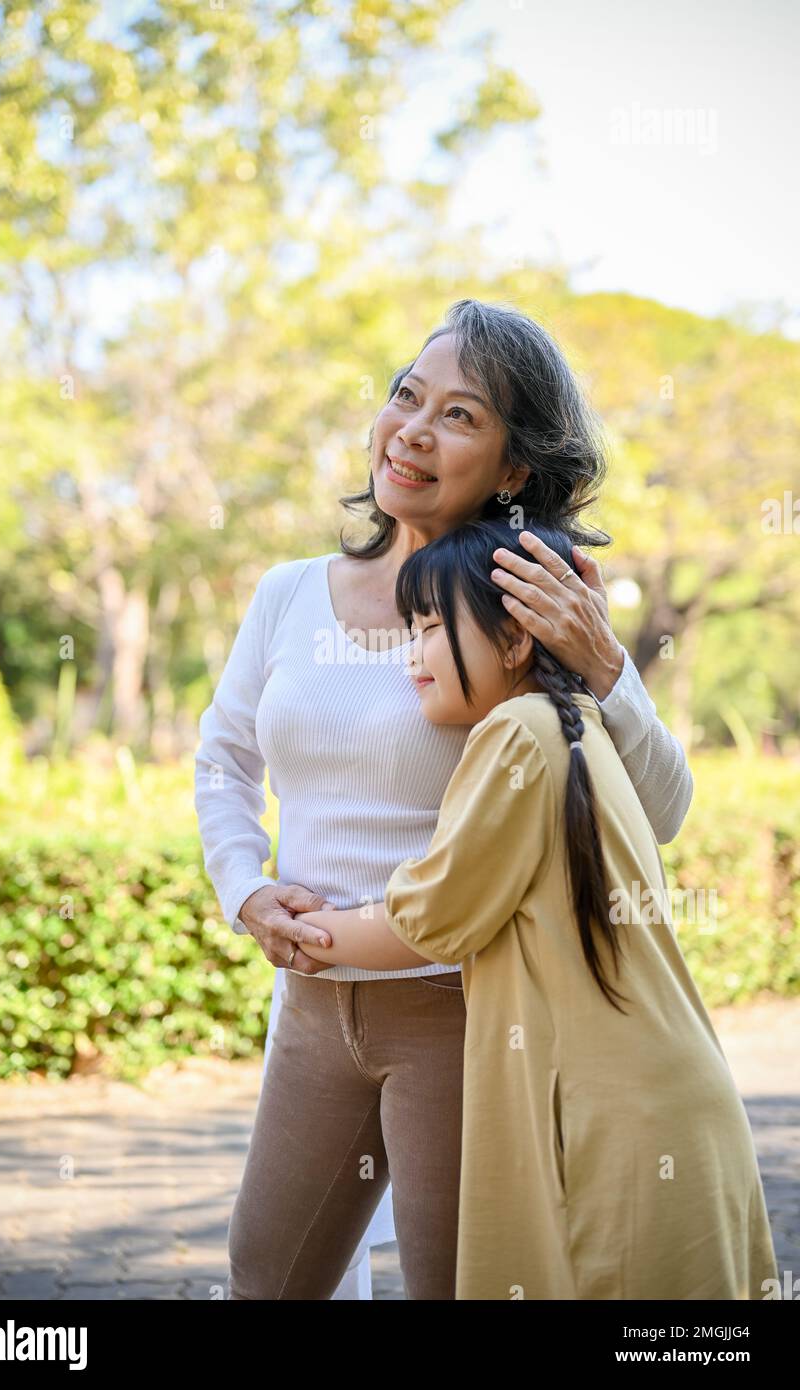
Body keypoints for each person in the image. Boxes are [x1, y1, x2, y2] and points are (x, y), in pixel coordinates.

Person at [194, 298, 694, 1299]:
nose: (413, 429)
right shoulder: (289, 592)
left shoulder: (527, 603)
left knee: (458, 1286)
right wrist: (245, 889)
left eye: (460, 415)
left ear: (514, 469)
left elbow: (659, 808)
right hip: (310, 1004)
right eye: (405, 396)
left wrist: (604, 665)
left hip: (466, 1013)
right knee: (264, 1275)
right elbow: (223, 759)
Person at [295, 517, 780, 1300]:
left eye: (427, 629)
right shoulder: (577, 725)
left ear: (518, 641)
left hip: (613, 1122)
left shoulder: (516, 736)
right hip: (662, 1103)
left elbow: (430, 919)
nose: (410, 656)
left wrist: (305, 934)